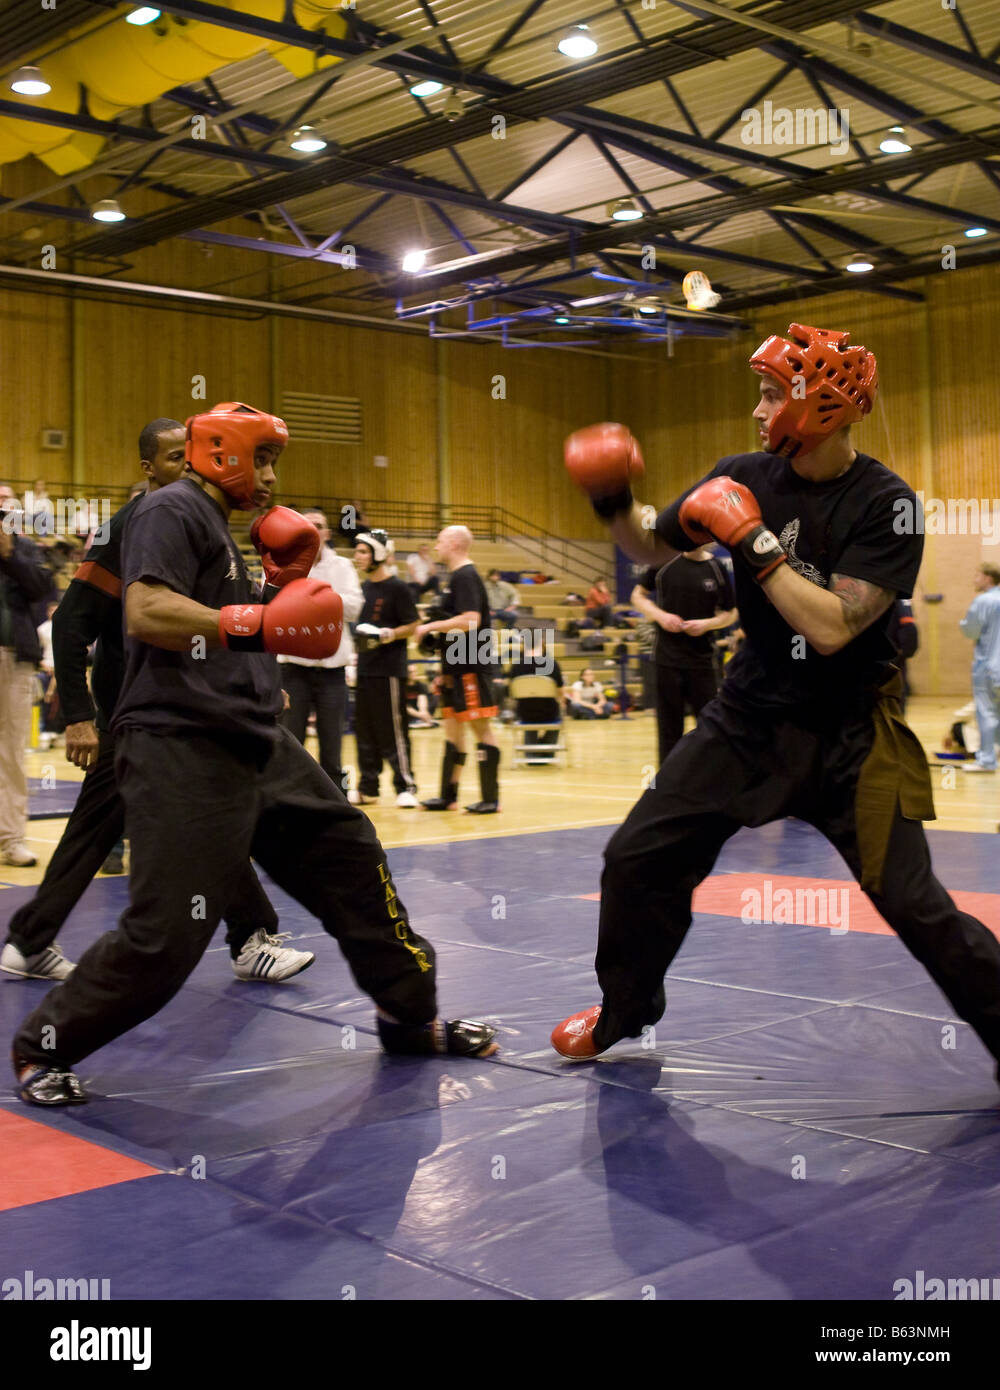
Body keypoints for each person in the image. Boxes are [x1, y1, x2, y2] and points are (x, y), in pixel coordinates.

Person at [11, 403, 497, 1106]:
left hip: (254, 737)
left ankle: (408, 1018)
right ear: (220, 454)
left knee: (352, 859)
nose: (270, 478)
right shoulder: (169, 510)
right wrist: (258, 618)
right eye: (261, 460)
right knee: (169, 931)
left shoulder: (225, 531)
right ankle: (41, 1048)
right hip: (179, 741)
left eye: (275, 462)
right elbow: (148, 612)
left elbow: (234, 632)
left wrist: (271, 591)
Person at [551, 325, 1000, 1085]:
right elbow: (654, 548)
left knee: (916, 904)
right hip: (747, 721)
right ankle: (626, 1010)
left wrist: (754, 539)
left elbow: (831, 627)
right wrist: (612, 499)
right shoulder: (743, 472)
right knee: (635, 859)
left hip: (853, 736)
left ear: (819, 405)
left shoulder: (888, 504)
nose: (757, 411)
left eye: (768, 394)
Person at [1, 418, 311, 985]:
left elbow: (222, 622)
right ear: (148, 467)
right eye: (173, 459)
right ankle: (250, 936)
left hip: (182, 705)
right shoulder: (137, 524)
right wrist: (78, 716)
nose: (185, 468)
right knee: (212, 815)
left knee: (109, 827)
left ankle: (29, 940)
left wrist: (259, 679)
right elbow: (72, 622)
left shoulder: (201, 521)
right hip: (142, 709)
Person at [280, 508, 363, 795]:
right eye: (308, 525)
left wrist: (315, 599)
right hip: (293, 670)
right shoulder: (285, 565)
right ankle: (291, 802)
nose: (314, 529)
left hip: (332, 672)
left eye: (320, 525)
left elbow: (354, 608)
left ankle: (339, 806)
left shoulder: (343, 566)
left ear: (327, 533)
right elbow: (278, 610)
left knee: (333, 747)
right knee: (291, 743)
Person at [417, 526, 500, 813]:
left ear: (453, 543)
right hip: (454, 666)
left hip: (471, 666)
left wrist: (430, 626)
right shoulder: (454, 578)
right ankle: (448, 795)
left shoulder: (466, 576)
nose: (436, 545)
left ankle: (491, 799)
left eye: (439, 540)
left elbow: (471, 620)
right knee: (453, 733)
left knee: (481, 730)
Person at [632, 548, 737, 763]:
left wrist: (707, 624)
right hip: (667, 659)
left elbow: (732, 612)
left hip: (703, 661)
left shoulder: (717, 568)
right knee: (669, 730)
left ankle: (708, 783)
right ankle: (667, 789)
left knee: (710, 728)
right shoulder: (663, 562)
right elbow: (637, 595)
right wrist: (661, 617)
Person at [0, 496, 56, 867]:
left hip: (11, 658)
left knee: (11, 755)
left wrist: (9, 555)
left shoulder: (24, 547)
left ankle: (11, 839)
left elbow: (42, 589)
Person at [349, 529, 420, 807]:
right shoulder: (361, 589)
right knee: (364, 730)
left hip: (389, 670)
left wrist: (387, 634)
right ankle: (368, 787)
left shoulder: (398, 588)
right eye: (357, 551)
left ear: (378, 554)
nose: (358, 557)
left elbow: (414, 624)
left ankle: (406, 786)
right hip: (365, 668)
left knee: (393, 730)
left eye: (363, 551)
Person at [958, 565, 1000, 773]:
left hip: (990, 667)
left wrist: (963, 624)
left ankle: (987, 760)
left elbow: (970, 630)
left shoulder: (984, 601)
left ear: (988, 578)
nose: (974, 579)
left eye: (977, 575)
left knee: (986, 712)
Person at [509, 635, 565, 761]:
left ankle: (532, 754)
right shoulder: (552, 664)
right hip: (549, 713)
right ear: (542, 644)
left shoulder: (516, 665)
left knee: (528, 710)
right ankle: (548, 752)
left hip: (525, 714)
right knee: (557, 713)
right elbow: (560, 693)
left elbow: (511, 693)